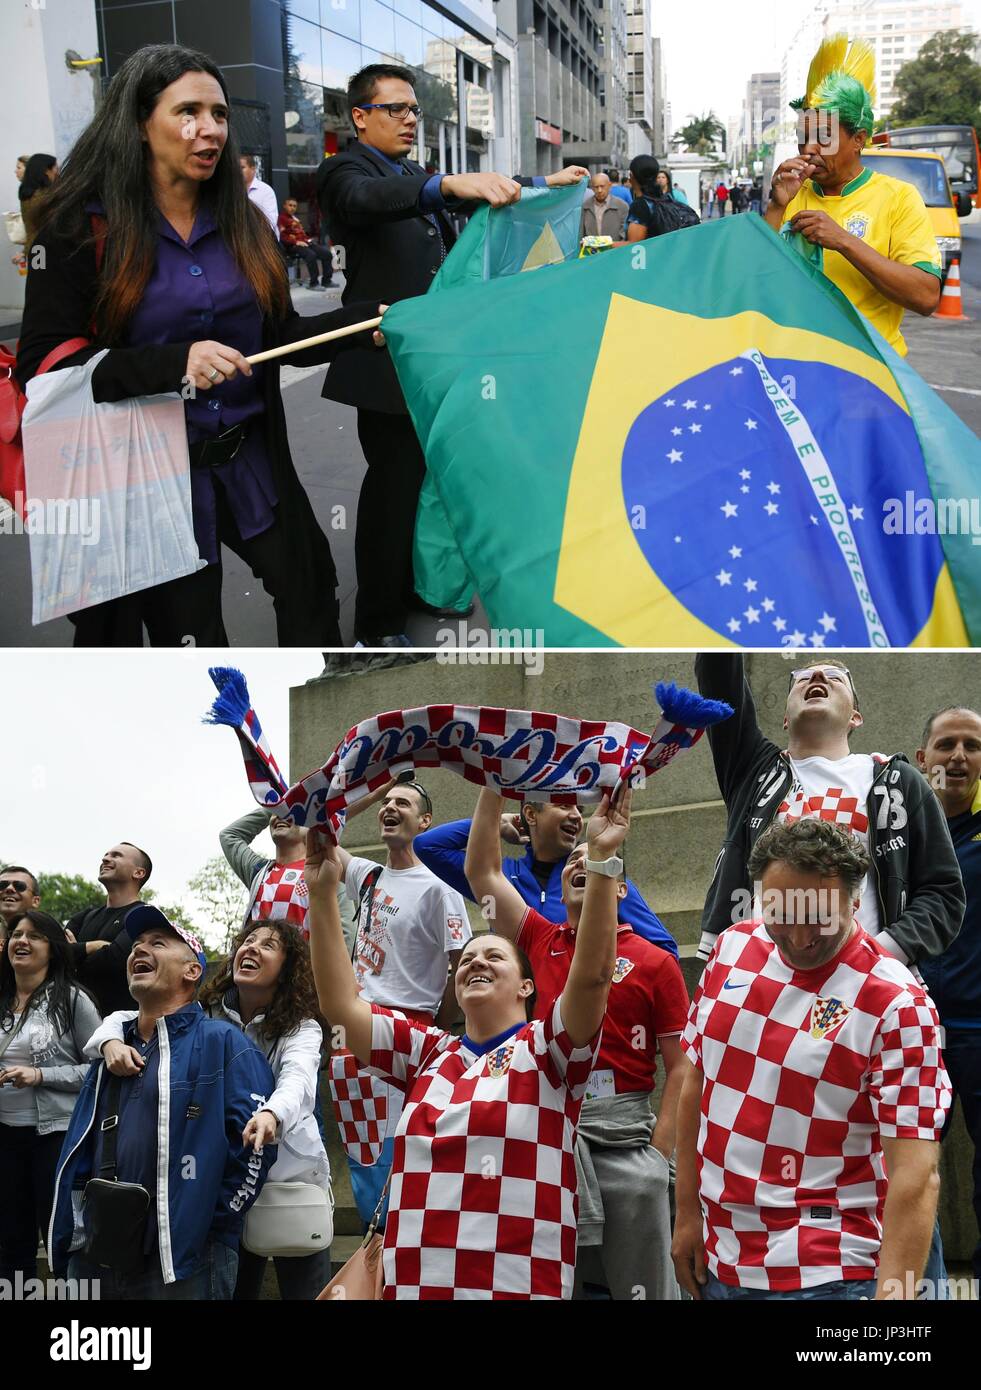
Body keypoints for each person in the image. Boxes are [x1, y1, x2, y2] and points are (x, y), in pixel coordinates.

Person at [16, 43, 384, 648]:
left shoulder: (246, 223)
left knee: (311, 586)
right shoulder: (76, 228)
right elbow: (46, 367)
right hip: (149, 482)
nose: (209, 129)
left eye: (219, 114)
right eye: (188, 111)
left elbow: (283, 337)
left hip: (252, 462)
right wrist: (171, 363)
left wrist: (360, 324)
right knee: (190, 636)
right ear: (139, 122)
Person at [307, 784, 632, 1299]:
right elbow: (341, 1006)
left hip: (514, 1285)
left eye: (495, 956)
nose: (476, 961)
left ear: (529, 987)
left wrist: (602, 861)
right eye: (470, 958)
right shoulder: (430, 1051)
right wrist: (323, 892)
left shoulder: (549, 1050)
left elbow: (592, 977)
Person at [673, 817, 951, 1300]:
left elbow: (916, 1171)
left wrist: (898, 1293)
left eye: (820, 917)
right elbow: (697, 1083)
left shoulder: (898, 1004)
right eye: (783, 915)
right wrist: (684, 1214)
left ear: (855, 900)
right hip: (722, 1258)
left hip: (833, 1270)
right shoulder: (732, 949)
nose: (801, 939)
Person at [316, 62, 525, 646]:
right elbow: (369, 200)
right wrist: (447, 185)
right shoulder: (343, 170)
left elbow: (465, 216)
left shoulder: (413, 170)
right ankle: (376, 629)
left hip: (432, 364)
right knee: (390, 493)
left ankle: (418, 589)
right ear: (360, 116)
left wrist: (538, 190)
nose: (410, 119)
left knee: (424, 486)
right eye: (396, 109)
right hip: (380, 362)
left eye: (414, 110)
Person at [463, 787, 688, 1300]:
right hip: (548, 1132)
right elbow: (482, 872)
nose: (582, 864)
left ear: (621, 890)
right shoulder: (540, 941)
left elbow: (682, 1067)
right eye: (573, 865)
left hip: (627, 1142)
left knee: (642, 1286)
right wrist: (494, 782)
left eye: (599, 863)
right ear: (560, 893)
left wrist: (660, 1155)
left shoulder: (658, 963)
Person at [86, 917, 331, 1302]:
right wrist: (108, 1043)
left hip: (285, 1183)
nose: (250, 948)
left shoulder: (302, 1027)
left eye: (267, 946)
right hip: (217, 1190)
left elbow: (298, 1082)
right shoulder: (207, 1015)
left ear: (288, 969)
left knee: (308, 1291)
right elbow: (125, 1017)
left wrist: (269, 1114)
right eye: (247, 941)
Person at [50, 905, 276, 1300]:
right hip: (99, 1252)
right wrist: (78, 1232)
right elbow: (80, 1142)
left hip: (188, 1260)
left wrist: (210, 1224)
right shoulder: (110, 1050)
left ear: (192, 972)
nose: (140, 949)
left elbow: (256, 1146)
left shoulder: (225, 1043)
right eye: (136, 945)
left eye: (157, 943)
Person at [695, 654, 965, 967]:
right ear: (785, 718)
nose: (818, 678)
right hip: (756, 976)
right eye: (802, 678)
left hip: (863, 980)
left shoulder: (900, 782)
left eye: (835, 676)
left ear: (855, 717)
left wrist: (882, 953)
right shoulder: (751, 771)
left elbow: (943, 892)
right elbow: (718, 671)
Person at [327, 775, 472, 1224]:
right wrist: (370, 793)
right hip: (350, 1038)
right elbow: (320, 835)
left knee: (403, 1158)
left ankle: (401, 1261)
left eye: (403, 803)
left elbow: (462, 965)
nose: (390, 808)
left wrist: (435, 1025)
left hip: (407, 1033)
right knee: (364, 1160)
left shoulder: (440, 887)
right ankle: (376, 1265)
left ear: (426, 821)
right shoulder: (367, 874)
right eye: (385, 804)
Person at [764, 33, 941, 355]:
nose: (809, 149)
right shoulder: (789, 194)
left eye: (823, 137)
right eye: (802, 137)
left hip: (869, 376)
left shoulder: (898, 197)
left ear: (859, 139)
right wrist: (775, 207)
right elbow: (750, 280)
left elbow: (926, 297)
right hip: (797, 368)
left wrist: (844, 241)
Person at [414, 795, 679, 957]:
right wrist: (499, 823)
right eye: (563, 805)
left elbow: (664, 950)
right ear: (530, 814)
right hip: (518, 1020)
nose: (575, 816)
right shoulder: (499, 877)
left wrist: (601, 975)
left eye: (579, 810)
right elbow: (428, 846)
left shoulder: (597, 878)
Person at [0, 911, 101, 1285]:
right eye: (16, 934)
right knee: (11, 1241)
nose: (21, 941)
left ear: (54, 949)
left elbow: (98, 1069)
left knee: (61, 1239)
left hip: (55, 1137)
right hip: (4, 1136)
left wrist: (41, 1075)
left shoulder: (73, 1000)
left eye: (34, 936)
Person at [917, 706, 981, 1282]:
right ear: (922, 759)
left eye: (972, 746)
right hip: (912, 1031)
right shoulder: (895, 840)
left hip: (980, 1028)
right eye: (946, 745)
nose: (958, 756)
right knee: (909, 1165)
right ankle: (919, 1280)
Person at [64, 843, 153, 1015]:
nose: (105, 859)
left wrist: (76, 953)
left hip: (118, 1029)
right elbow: (57, 953)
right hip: (71, 1022)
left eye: (116, 855)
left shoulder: (144, 916)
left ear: (138, 872)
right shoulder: (83, 917)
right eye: (106, 855)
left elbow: (115, 960)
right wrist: (94, 946)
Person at [220, 808, 310, 936]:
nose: (281, 816)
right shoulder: (259, 870)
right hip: (256, 954)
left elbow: (344, 931)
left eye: (293, 812)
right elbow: (228, 836)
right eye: (276, 813)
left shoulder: (323, 873)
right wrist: (275, 805)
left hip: (304, 956)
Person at [624, 155, 699, 242]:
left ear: (631, 176)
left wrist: (607, 245)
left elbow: (634, 245)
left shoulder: (641, 205)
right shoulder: (666, 199)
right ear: (656, 176)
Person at [277, 197, 333, 290]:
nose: (292, 208)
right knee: (311, 255)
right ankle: (314, 284)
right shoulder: (281, 218)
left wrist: (308, 240)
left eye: (294, 206)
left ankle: (326, 281)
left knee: (326, 254)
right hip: (292, 246)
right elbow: (281, 237)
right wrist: (296, 242)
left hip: (305, 244)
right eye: (290, 205)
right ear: (284, 206)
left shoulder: (295, 218)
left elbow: (301, 233)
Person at [17, 153, 57, 246]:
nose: (57, 171)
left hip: (35, 248)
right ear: (46, 171)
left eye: (18, 168)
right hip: (45, 248)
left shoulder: (27, 193)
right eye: (55, 168)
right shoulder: (43, 196)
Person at [239, 154, 279, 239]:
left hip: (264, 241)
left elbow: (270, 222)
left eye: (242, 167)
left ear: (253, 169)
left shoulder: (265, 190)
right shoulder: (234, 190)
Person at [580, 172, 628, 241]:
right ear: (592, 188)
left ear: (609, 186)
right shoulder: (585, 207)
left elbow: (625, 234)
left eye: (602, 186)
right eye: (596, 187)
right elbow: (581, 233)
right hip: (592, 250)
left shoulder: (622, 206)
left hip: (615, 250)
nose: (599, 190)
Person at [0, 866, 41, 939]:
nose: (9, 888)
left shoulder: (51, 941)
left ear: (35, 901)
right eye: (2, 885)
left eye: (19, 886)